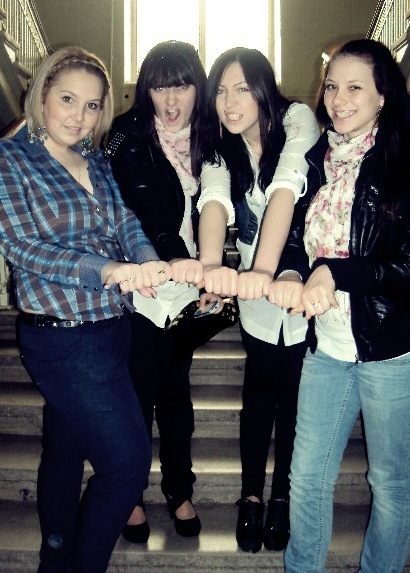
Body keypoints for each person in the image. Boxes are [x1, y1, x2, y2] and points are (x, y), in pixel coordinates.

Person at [0, 46, 173, 572]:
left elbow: (123, 221)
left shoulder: (93, 159)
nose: (79, 116)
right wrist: (107, 269)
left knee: (65, 448)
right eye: (67, 99)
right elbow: (22, 247)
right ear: (41, 97)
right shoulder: (11, 159)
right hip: (63, 336)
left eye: (93, 105)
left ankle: (54, 560)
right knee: (127, 467)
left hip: (111, 327)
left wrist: (148, 260)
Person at [268, 39, 410, 573]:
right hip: (326, 346)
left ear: (383, 96)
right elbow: (292, 238)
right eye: (332, 86)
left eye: (354, 87)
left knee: (391, 483)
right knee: (306, 477)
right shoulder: (318, 158)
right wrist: (290, 271)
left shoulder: (403, 161)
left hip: (389, 350)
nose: (338, 99)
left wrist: (338, 272)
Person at [198, 47, 320, 553]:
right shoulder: (219, 143)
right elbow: (213, 199)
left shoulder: (297, 119)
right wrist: (209, 269)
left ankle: (283, 498)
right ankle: (251, 496)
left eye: (242, 89)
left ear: (264, 89)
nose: (229, 102)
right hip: (256, 289)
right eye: (221, 92)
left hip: (300, 278)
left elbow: (288, 188)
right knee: (258, 392)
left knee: (294, 396)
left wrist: (267, 271)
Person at [106, 40, 221, 542]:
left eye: (181, 85)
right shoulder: (129, 134)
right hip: (144, 281)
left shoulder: (209, 137)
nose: (171, 100)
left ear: (199, 88)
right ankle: (130, 493)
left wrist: (205, 272)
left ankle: (178, 489)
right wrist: (181, 262)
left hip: (186, 286)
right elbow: (144, 205)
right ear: (145, 92)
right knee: (138, 392)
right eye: (159, 87)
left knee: (176, 392)